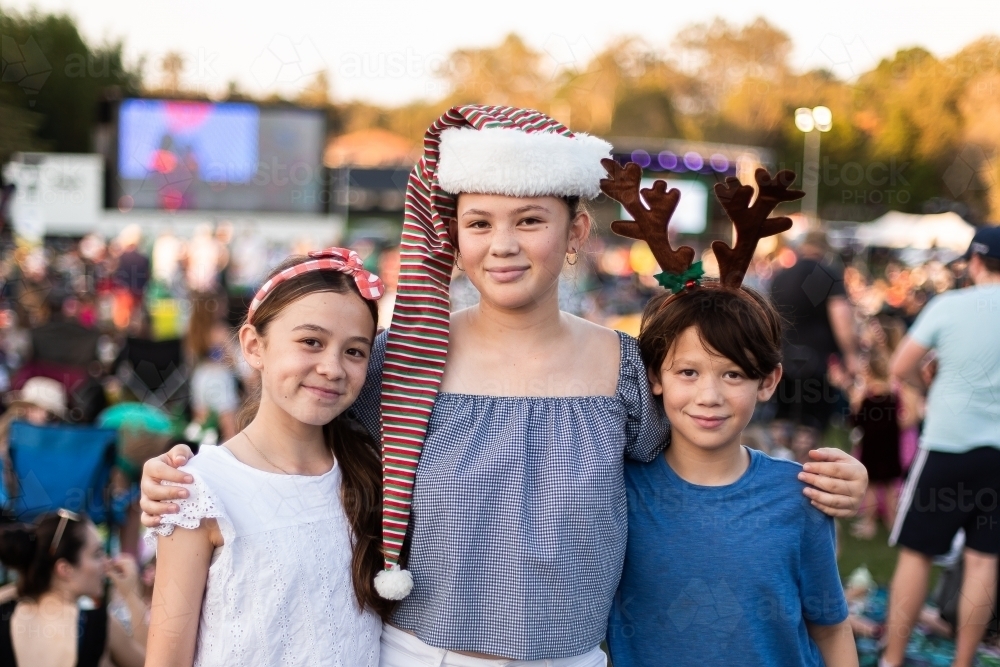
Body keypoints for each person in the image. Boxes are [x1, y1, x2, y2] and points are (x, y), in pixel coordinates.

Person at [139, 106, 868, 665]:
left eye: (530, 220)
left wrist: (811, 485)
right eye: (480, 222)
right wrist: (181, 477)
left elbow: (695, 470)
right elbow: (291, 449)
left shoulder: (619, 368)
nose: (505, 244)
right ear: (454, 236)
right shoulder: (401, 359)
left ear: (576, 230)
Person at [143, 248, 388, 667]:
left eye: (354, 351)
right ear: (254, 347)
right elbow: (167, 657)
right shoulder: (198, 490)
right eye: (311, 341)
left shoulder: (369, 474)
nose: (332, 367)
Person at [608, 285, 856, 667]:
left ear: (768, 382)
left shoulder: (799, 496)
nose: (710, 395)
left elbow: (830, 628)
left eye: (734, 374)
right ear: (656, 376)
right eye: (688, 372)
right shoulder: (616, 491)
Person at [882, 226, 1000, 667]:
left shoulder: (950, 304)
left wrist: (925, 390)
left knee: (917, 553)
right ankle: (963, 662)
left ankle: (892, 659)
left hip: (948, 442)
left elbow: (900, 365)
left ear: (973, 262)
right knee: (984, 560)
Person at [0, 510, 147, 666]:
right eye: (97, 554)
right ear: (65, 569)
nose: (107, 563)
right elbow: (155, 661)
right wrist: (132, 595)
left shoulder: (5, 615)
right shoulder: (98, 624)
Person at [769, 231, 860, 455]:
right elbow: (841, 317)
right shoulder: (828, 274)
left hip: (782, 360)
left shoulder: (780, 275)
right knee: (809, 426)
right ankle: (803, 475)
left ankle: (778, 469)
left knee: (782, 419)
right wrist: (850, 355)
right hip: (818, 362)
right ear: (825, 250)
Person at [849, 351, 901, 539]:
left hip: (872, 448)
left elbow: (855, 422)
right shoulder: (892, 396)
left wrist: (856, 403)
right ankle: (893, 524)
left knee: (870, 487)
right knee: (889, 488)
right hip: (890, 448)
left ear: (869, 373)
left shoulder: (867, 399)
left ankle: (869, 524)